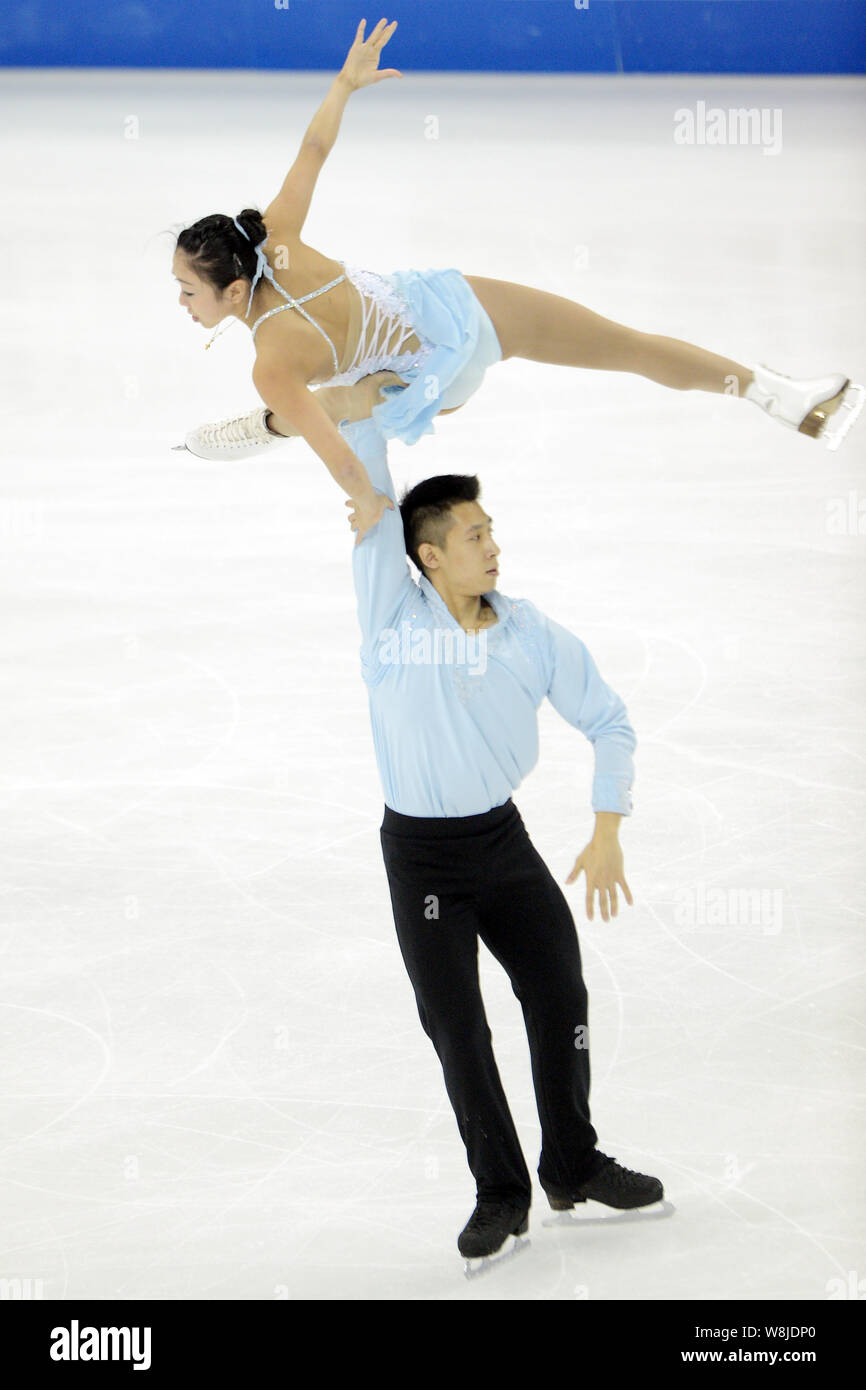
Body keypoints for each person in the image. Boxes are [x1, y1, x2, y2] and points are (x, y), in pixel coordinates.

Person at [171, 17, 863, 540]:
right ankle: (780, 396)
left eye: (188, 290)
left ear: (234, 291)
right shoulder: (276, 232)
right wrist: (345, 83)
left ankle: (271, 425)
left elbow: (341, 460)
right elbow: (314, 148)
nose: (181, 302)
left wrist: (367, 505)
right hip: (460, 314)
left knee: (339, 403)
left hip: (431, 389)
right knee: (632, 346)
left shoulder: (271, 359)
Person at [309, 373, 664, 1262]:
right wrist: (365, 413)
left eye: (491, 529)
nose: (492, 544)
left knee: (560, 994)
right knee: (458, 1025)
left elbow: (610, 720)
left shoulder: (531, 630)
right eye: (474, 534)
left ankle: (573, 1162)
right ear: (428, 556)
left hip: (502, 845)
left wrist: (607, 825)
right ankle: (500, 1190)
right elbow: (372, 493)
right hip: (423, 860)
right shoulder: (393, 615)